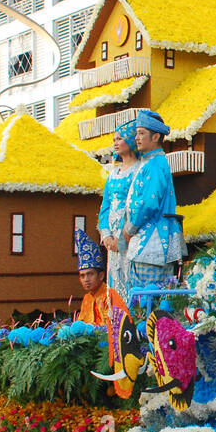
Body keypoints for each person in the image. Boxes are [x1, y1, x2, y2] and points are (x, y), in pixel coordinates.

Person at [123, 109, 186, 296]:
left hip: (152, 241)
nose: (137, 138)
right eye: (136, 133)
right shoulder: (151, 162)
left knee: (147, 303)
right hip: (148, 241)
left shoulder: (156, 164)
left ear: (156, 136)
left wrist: (130, 228)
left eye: (141, 133)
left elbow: (149, 203)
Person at [99, 119, 140, 304]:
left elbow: (138, 206)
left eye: (120, 138)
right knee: (114, 280)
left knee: (130, 277)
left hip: (131, 235)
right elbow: (105, 206)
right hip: (112, 241)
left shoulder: (139, 170)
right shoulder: (112, 174)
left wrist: (122, 238)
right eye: (114, 139)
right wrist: (106, 235)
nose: (115, 143)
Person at [74, 229, 125, 327]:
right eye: (82, 276)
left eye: (90, 274)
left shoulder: (109, 296)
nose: (86, 279)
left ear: (101, 275)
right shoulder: (87, 298)